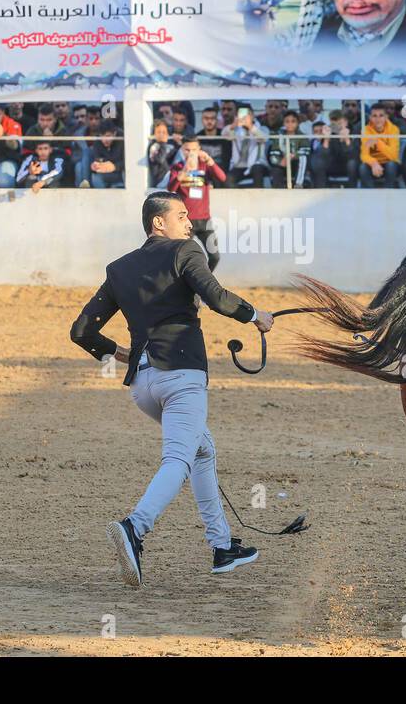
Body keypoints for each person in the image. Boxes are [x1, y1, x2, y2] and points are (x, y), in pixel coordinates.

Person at [70, 191, 274, 587]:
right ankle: (134, 527)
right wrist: (256, 316)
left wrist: (121, 351)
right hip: (181, 375)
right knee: (178, 457)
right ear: (157, 222)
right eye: (182, 215)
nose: (189, 223)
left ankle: (222, 546)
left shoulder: (119, 268)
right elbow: (216, 297)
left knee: (202, 449)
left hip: (143, 384)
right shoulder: (185, 251)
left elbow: (81, 332)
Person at [167, 134, 226, 270]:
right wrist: (183, 172)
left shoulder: (205, 165)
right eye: (187, 150)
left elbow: (222, 178)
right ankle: (182, 286)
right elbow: (171, 189)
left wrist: (210, 161)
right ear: (182, 150)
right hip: (185, 221)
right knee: (179, 257)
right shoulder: (178, 167)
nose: (191, 153)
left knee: (215, 257)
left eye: (194, 150)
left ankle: (203, 284)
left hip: (205, 220)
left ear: (199, 149)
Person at [358, 103, 400, 188]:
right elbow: (364, 155)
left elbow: (393, 156)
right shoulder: (365, 130)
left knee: (391, 165)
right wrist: (374, 163)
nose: (378, 119)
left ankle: (388, 195)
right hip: (373, 164)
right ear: (370, 117)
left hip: (389, 162)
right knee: (363, 167)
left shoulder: (393, 129)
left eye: (381, 115)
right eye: (374, 116)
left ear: (386, 117)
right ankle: (371, 196)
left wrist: (378, 142)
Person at [227, 107, 269, 188]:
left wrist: (250, 126)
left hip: (257, 164)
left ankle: (259, 197)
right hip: (239, 165)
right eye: (242, 115)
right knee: (228, 179)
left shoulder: (262, 128)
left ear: (252, 116)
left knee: (257, 170)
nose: (244, 118)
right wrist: (233, 126)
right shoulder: (236, 130)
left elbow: (263, 138)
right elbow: (225, 135)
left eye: (247, 115)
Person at [88, 121, 125, 188]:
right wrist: (96, 165)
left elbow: (127, 162)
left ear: (114, 133)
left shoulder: (122, 140)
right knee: (95, 177)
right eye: (101, 136)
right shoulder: (97, 142)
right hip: (105, 173)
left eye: (108, 136)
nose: (104, 139)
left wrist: (114, 166)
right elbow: (97, 158)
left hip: (120, 174)